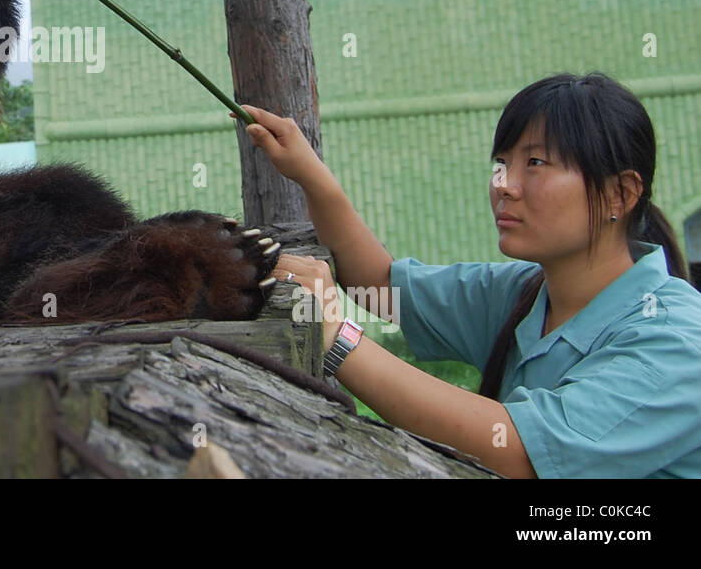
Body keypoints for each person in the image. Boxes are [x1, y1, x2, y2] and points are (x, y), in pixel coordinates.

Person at [240, 72, 701, 478]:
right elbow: (382, 287)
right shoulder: (524, 295)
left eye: (535, 164)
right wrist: (312, 176)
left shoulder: (677, 340)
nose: (503, 185)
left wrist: (335, 338)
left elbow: (521, 454)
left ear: (619, 194)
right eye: (502, 163)